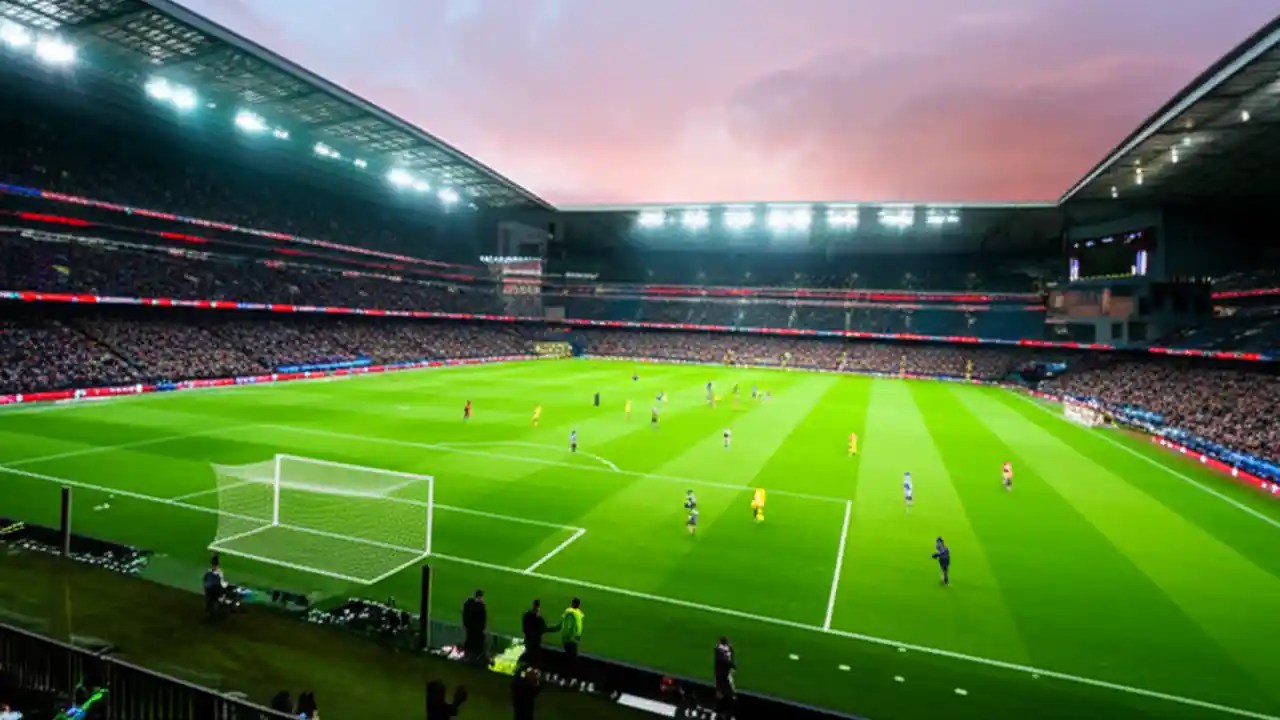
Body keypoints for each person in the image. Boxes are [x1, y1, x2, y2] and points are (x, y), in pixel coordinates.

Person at [521, 599, 557, 666]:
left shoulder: (527, 616)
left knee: (532, 653)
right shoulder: (538, 620)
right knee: (534, 654)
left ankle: (531, 663)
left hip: (529, 641)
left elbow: (525, 626)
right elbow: (545, 629)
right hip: (534, 643)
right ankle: (533, 664)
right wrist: (557, 628)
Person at [560, 598, 585, 680]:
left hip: (570, 639)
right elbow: (575, 626)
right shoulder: (576, 614)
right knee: (572, 659)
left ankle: (566, 676)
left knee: (571, 658)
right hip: (571, 639)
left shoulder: (571, 613)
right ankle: (568, 676)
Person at [713, 637, 736, 719]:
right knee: (726, 690)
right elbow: (728, 658)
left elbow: (723, 658)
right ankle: (725, 708)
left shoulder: (718, 649)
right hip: (725, 673)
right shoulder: (727, 649)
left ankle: (720, 708)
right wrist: (732, 666)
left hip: (720, 673)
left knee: (720, 690)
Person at [462, 590, 487, 663]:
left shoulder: (468, 604)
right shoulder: (480, 607)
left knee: (469, 643)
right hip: (477, 631)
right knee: (476, 646)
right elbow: (482, 620)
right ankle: (474, 660)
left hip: (470, 629)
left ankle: (467, 658)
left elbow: (465, 617)